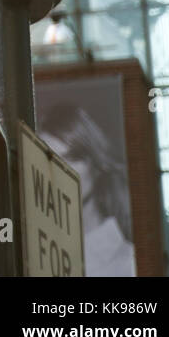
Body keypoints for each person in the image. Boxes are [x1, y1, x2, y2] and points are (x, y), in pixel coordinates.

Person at [38, 102, 136, 276]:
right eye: (48, 160)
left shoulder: (129, 263)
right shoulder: (34, 258)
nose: (61, 170)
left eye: (71, 157)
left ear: (96, 164)